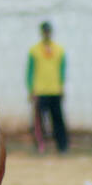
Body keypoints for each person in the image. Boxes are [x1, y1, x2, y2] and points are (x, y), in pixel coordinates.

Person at [27, 20, 68, 154]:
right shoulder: (34, 50)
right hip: (40, 91)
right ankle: (41, 146)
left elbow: (62, 70)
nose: (46, 34)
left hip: (55, 90)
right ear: (42, 33)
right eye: (44, 31)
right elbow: (30, 71)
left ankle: (62, 146)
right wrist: (30, 89)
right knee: (39, 122)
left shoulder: (59, 50)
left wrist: (61, 87)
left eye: (48, 31)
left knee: (58, 120)